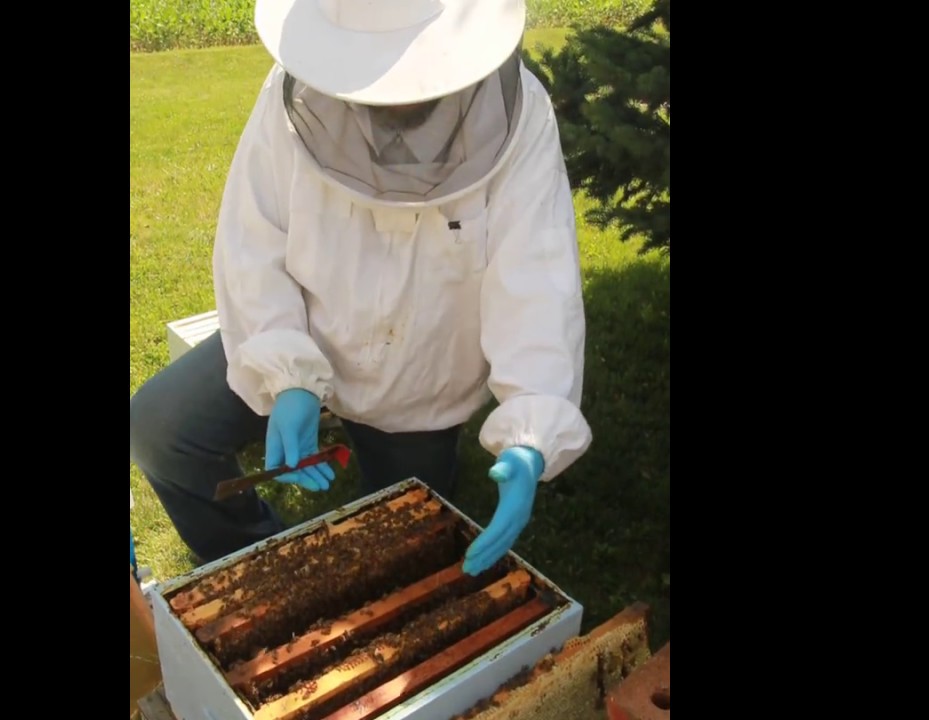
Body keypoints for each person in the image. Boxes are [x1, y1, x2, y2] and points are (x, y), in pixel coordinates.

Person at [129, 0, 592, 577]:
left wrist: (530, 428)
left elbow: (536, 280)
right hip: (308, 329)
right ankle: (266, 568)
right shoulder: (290, 99)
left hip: (419, 379)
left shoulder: (521, 117)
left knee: (405, 556)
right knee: (160, 429)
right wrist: (288, 375)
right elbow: (254, 241)